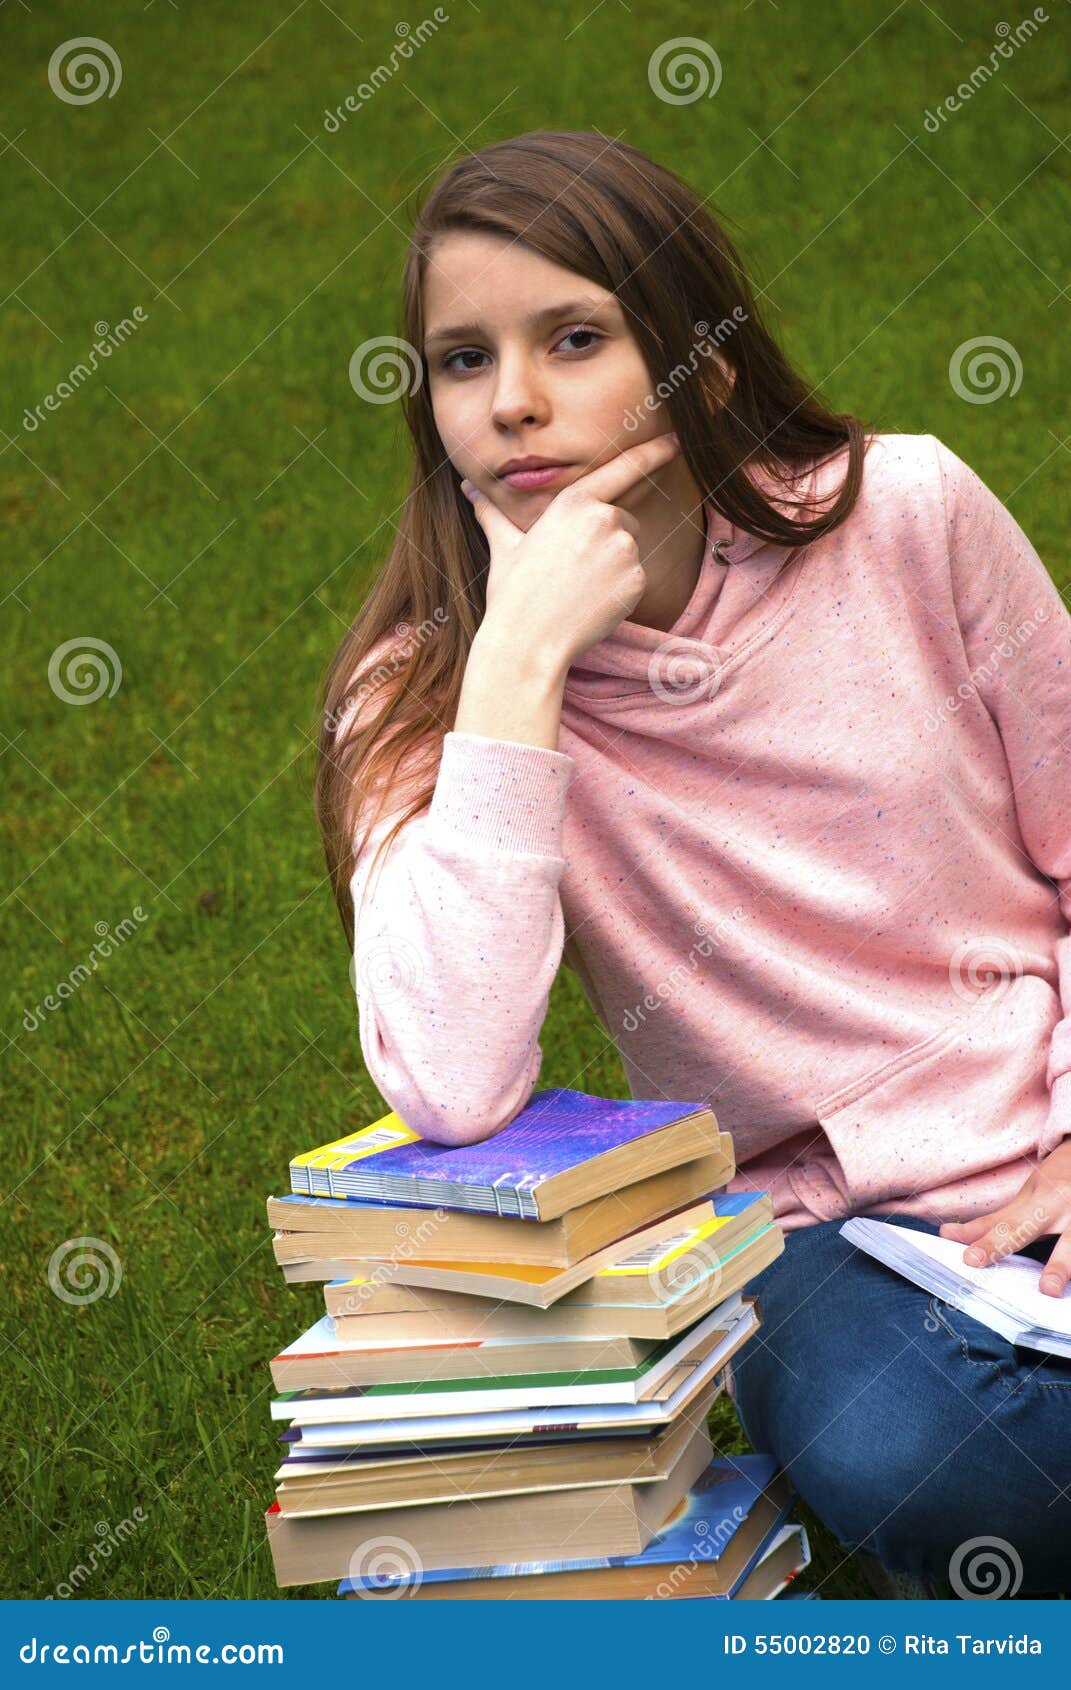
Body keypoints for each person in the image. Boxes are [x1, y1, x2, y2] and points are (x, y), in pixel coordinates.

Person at [313, 130, 1071, 1597]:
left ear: (701, 367)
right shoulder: (426, 696)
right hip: (828, 1229)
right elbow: (452, 1080)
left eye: (575, 338)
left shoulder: (909, 513)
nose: (513, 399)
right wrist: (518, 668)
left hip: (1045, 1106)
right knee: (904, 1455)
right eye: (462, 361)